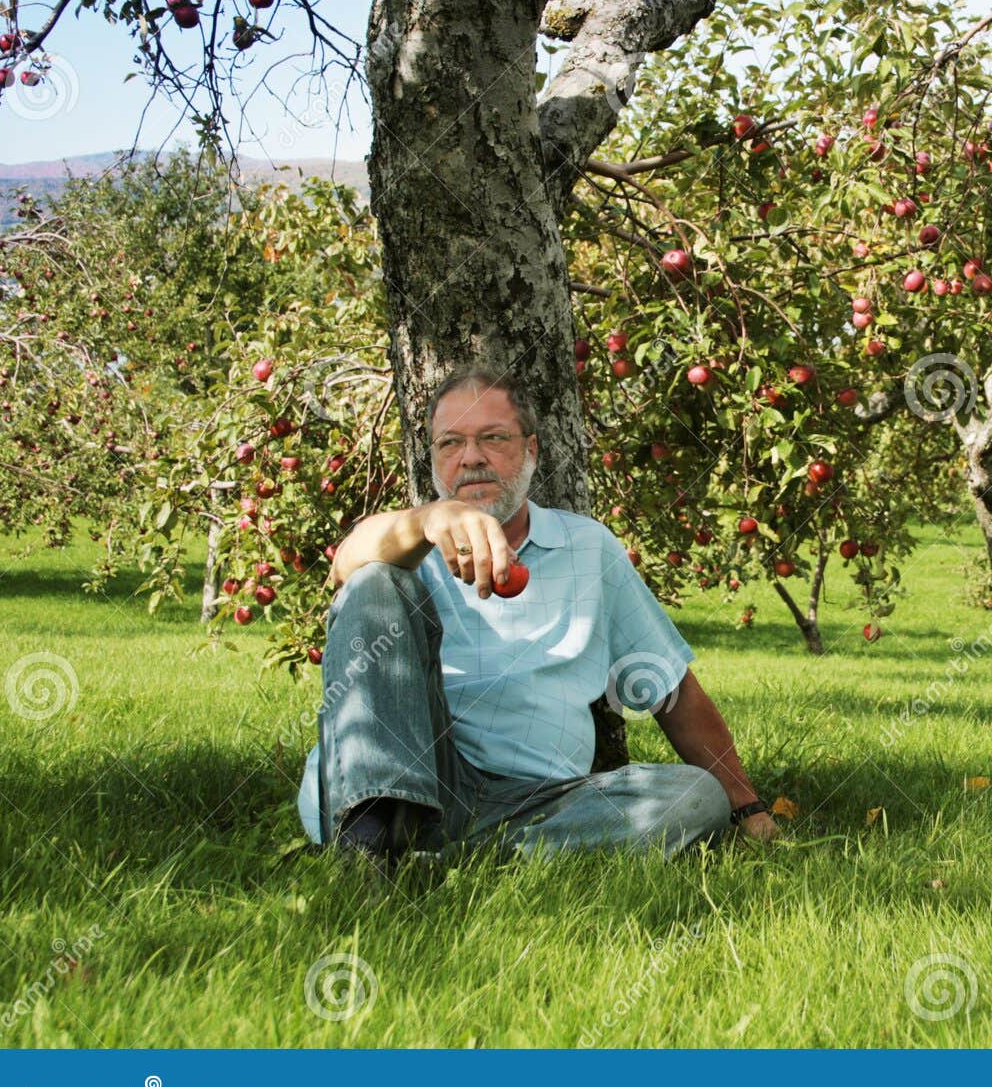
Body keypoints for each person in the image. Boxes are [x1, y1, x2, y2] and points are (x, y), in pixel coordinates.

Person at [294, 365, 779, 868]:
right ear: (434, 460)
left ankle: (451, 860)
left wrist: (746, 805)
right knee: (373, 580)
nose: (472, 457)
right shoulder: (408, 544)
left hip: (545, 803)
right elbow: (345, 565)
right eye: (450, 443)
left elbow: (671, 688)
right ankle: (371, 845)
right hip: (421, 784)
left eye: (493, 438)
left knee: (695, 797)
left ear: (531, 450)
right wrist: (427, 520)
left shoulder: (588, 548)